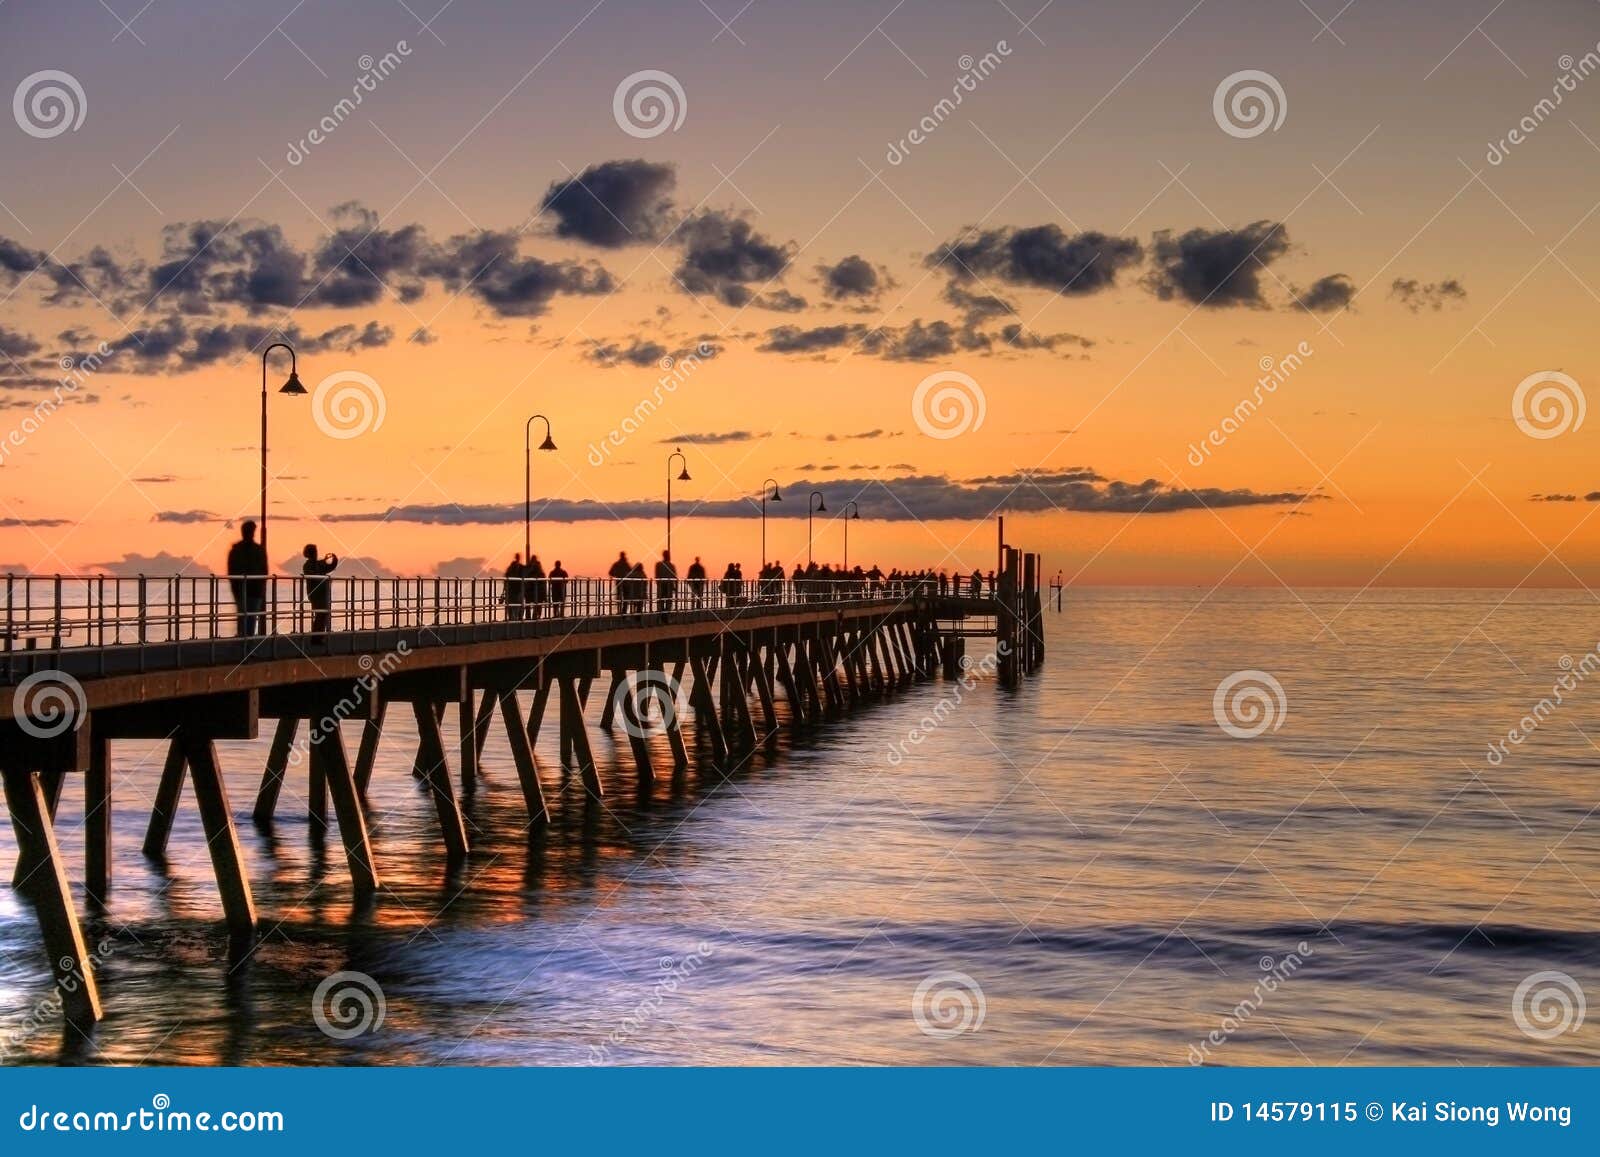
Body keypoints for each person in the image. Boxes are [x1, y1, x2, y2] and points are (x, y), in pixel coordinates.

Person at [226, 520, 268, 636]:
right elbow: (264, 570)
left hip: (249, 589)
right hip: (249, 589)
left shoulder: (237, 550)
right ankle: (246, 645)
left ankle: (245, 643)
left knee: (247, 617)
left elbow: (232, 572)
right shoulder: (257, 550)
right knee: (249, 618)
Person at [301, 544, 339, 635]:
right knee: (320, 615)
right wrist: (324, 578)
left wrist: (334, 560)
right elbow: (314, 576)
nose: (316, 553)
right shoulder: (308, 565)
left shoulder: (317, 563)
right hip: (316, 594)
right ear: (311, 553)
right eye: (314, 552)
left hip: (321, 593)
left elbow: (330, 567)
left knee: (322, 615)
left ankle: (318, 636)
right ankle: (316, 637)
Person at [503, 553, 526, 621]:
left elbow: (506, 578)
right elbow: (524, 577)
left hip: (511, 589)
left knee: (511, 605)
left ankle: (511, 617)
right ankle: (518, 617)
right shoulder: (521, 567)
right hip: (517, 589)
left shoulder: (510, 568)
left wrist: (505, 588)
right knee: (519, 605)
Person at [526, 554, 547, 620]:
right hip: (535, 591)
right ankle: (534, 616)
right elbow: (543, 583)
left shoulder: (529, 569)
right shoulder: (540, 571)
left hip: (531, 591)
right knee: (536, 604)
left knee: (530, 605)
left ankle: (529, 617)